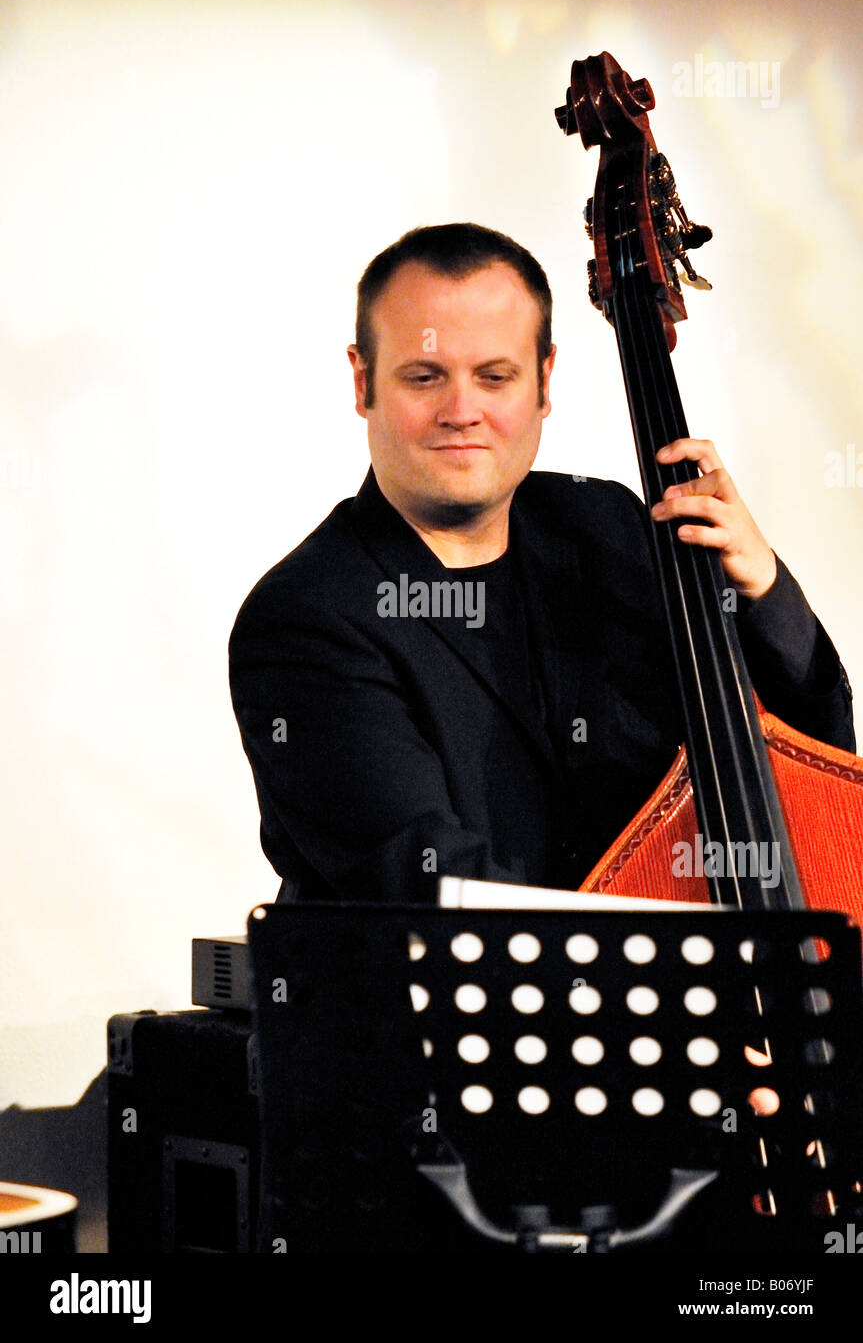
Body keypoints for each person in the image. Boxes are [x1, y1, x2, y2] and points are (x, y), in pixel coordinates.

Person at [229, 223, 855, 905]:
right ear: (363, 381)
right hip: (449, 1008)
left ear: (543, 381)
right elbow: (429, 885)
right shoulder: (307, 618)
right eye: (424, 377)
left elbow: (810, 767)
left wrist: (761, 589)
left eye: (494, 377)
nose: (461, 411)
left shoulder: (611, 530)